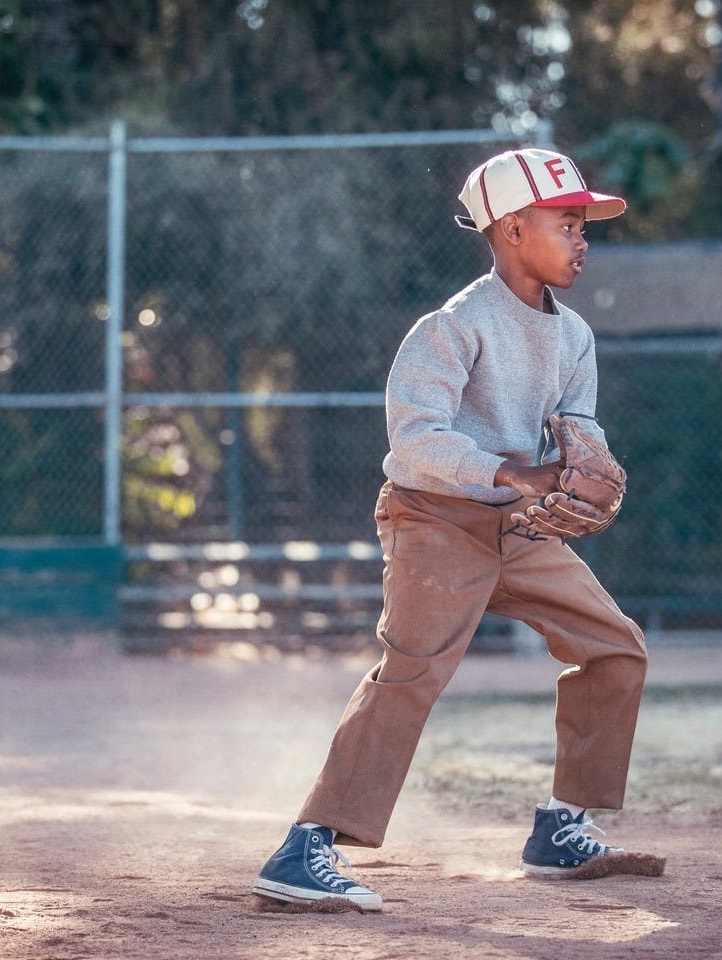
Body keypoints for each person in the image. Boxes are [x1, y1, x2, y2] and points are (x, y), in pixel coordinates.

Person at [252, 147, 649, 911]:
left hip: (519, 524)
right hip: (434, 515)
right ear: (509, 230)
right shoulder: (453, 326)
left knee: (617, 649)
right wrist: (513, 473)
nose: (582, 239)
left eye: (583, 226)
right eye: (566, 223)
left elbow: (577, 423)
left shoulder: (574, 337)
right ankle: (305, 847)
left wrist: (586, 465)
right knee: (415, 667)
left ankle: (561, 828)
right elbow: (416, 442)